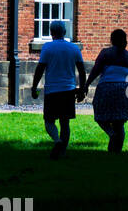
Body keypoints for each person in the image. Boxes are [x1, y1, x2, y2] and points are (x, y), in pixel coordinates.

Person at [30, 20, 86, 159]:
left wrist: (34, 86)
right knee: (65, 122)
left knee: (49, 121)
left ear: (51, 32)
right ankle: (62, 151)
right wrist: (82, 89)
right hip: (68, 89)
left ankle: (57, 141)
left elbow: (40, 68)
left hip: (52, 89)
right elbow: (82, 70)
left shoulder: (47, 48)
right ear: (64, 32)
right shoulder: (73, 48)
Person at [82, 28, 128, 153]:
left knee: (100, 116)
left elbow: (95, 70)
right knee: (119, 123)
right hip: (125, 90)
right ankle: (116, 151)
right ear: (125, 41)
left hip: (106, 88)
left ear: (112, 40)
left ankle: (110, 134)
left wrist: (86, 84)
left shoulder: (105, 53)